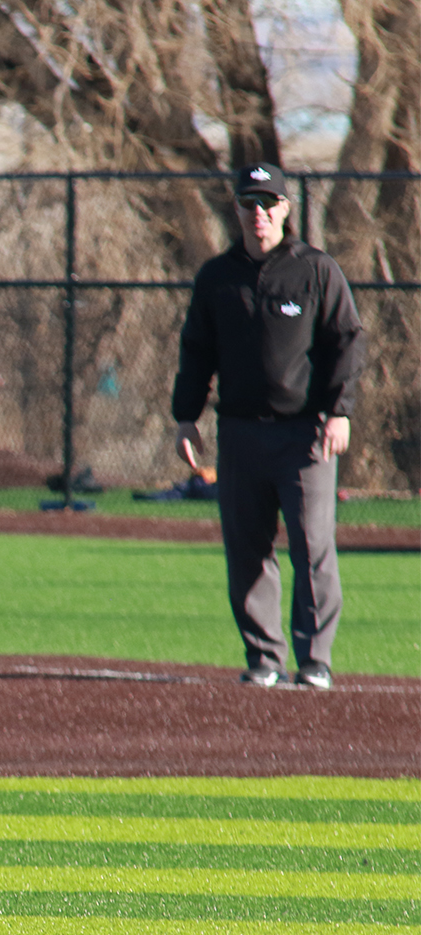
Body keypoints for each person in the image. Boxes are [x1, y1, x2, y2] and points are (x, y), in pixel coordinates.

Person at [172, 163, 364, 690]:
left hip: (305, 436)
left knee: (311, 546)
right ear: (235, 209)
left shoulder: (315, 270)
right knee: (247, 548)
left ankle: (315, 661)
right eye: (248, 204)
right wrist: (186, 416)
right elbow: (197, 349)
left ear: (285, 209)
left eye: (268, 204)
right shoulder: (217, 276)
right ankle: (263, 658)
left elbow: (346, 341)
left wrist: (340, 409)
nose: (258, 214)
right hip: (240, 434)